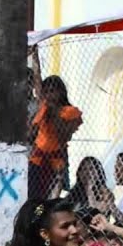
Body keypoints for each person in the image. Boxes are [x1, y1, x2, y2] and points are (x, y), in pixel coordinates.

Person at [28, 48, 83, 200]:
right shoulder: (43, 107)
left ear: (61, 92)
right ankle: (36, 219)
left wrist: (53, 112)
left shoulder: (69, 111)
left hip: (56, 161)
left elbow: (63, 135)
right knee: (35, 198)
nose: (49, 95)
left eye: (53, 91)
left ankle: (45, 217)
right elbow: (38, 80)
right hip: (37, 160)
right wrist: (35, 57)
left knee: (51, 198)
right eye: (46, 92)